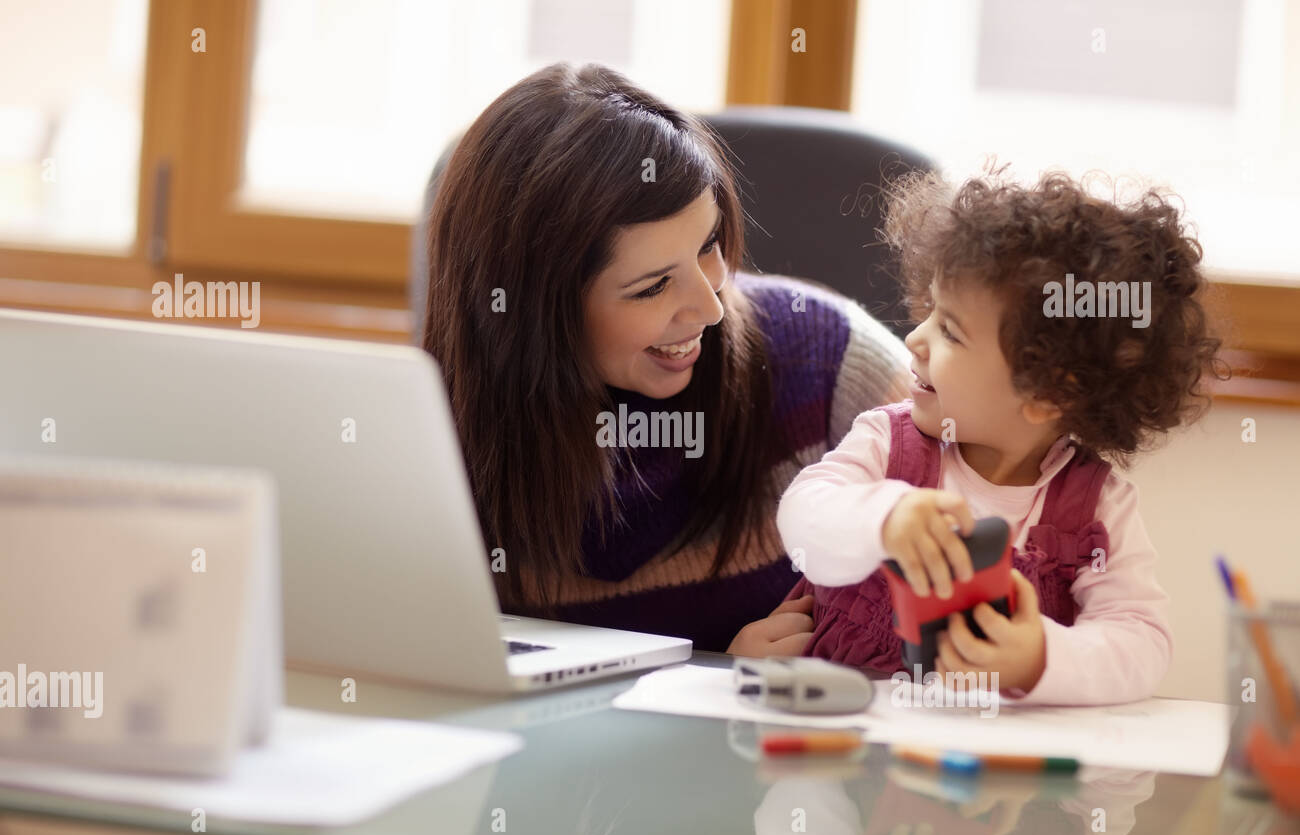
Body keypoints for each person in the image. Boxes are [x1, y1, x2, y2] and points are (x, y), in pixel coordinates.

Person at [422, 62, 911, 652]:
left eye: (709, 245)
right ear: (533, 311)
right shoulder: (429, 433)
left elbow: (1007, 560)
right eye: (653, 286)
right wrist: (712, 679)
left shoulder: (830, 361)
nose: (711, 308)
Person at [775, 168, 1229, 703]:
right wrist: (883, 518)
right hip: (846, 751)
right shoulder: (887, 442)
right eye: (929, 313)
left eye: (950, 330)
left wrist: (1039, 657)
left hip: (994, 771)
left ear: (1046, 395)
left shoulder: (1096, 511)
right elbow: (802, 517)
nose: (915, 339)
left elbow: (1141, 641)